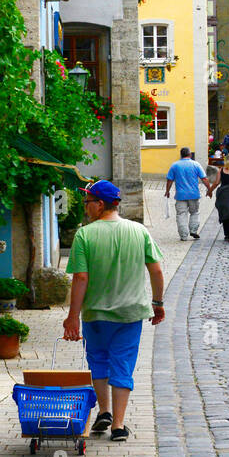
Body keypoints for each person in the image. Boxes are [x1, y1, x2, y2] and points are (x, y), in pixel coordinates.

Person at [63, 180, 164, 442]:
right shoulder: (139, 231)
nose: (86, 208)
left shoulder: (85, 235)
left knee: (98, 360)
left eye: (88, 203)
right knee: (123, 365)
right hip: (130, 314)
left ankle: (104, 411)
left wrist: (72, 316)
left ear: (100, 204)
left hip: (96, 313)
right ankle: (118, 425)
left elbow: (81, 279)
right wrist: (158, 303)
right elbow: (156, 270)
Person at [165, 147, 207, 240]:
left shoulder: (175, 165)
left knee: (181, 214)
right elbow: (204, 178)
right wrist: (209, 189)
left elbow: (169, 180)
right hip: (194, 194)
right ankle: (193, 230)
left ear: (181, 154)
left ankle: (183, 236)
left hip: (180, 195)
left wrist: (167, 191)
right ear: (190, 154)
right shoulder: (196, 164)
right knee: (195, 212)